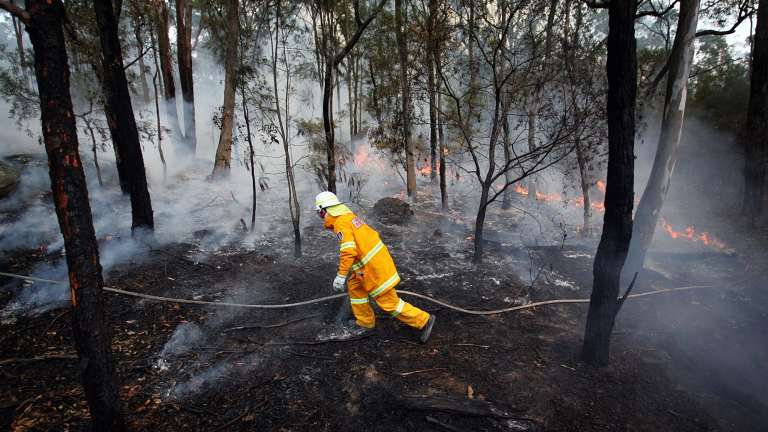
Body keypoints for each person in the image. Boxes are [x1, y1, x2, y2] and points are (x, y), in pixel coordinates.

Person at [315, 191, 436, 343]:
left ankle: (423, 320)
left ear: (324, 210)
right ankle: (365, 323)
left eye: (320, 213)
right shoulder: (348, 218)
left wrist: (341, 275)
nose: (321, 217)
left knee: (389, 303)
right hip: (366, 268)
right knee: (355, 289)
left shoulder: (341, 223)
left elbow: (348, 251)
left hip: (374, 270)